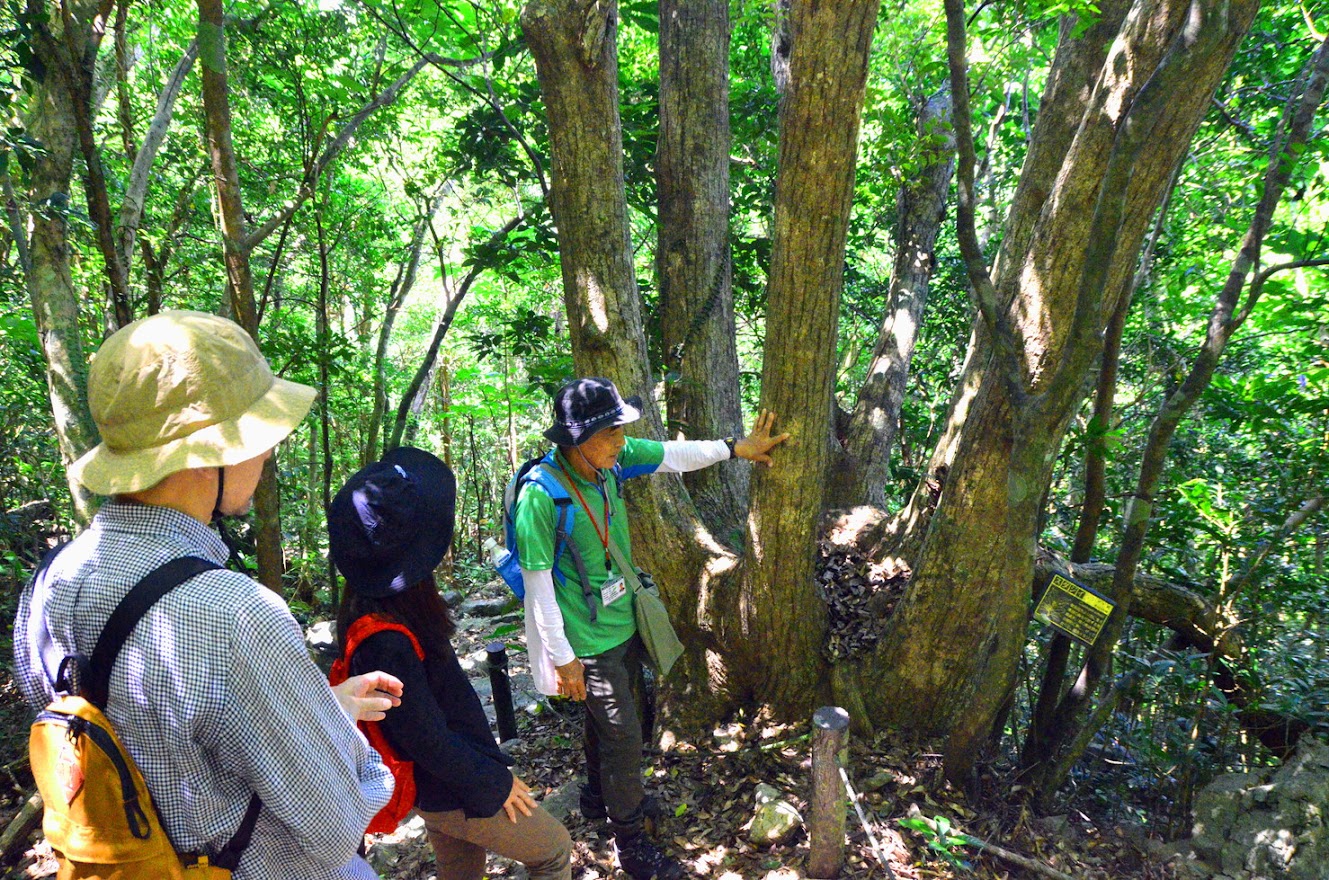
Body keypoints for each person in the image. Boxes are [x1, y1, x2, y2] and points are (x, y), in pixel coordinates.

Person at [13, 310, 401, 879]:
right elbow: (333, 825)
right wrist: (335, 735)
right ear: (209, 453)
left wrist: (316, 706)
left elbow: (145, 747)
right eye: (260, 435)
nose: (268, 454)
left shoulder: (48, 583)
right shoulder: (235, 615)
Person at [514, 377, 789, 880]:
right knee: (623, 736)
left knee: (618, 722)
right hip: (584, 640)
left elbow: (670, 455)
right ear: (579, 439)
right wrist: (564, 659)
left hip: (622, 623)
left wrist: (736, 448)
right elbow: (538, 588)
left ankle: (599, 796)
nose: (623, 441)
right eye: (613, 433)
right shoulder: (542, 497)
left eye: (622, 432)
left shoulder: (610, 461)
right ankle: (631, 839)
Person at [330, 446, 573, 880]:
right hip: (449, 788)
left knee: (461, 866)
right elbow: (425, 739)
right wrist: (494, 784)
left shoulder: (389, 611)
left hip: (449, 783)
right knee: (553, 849)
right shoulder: (386, 640)